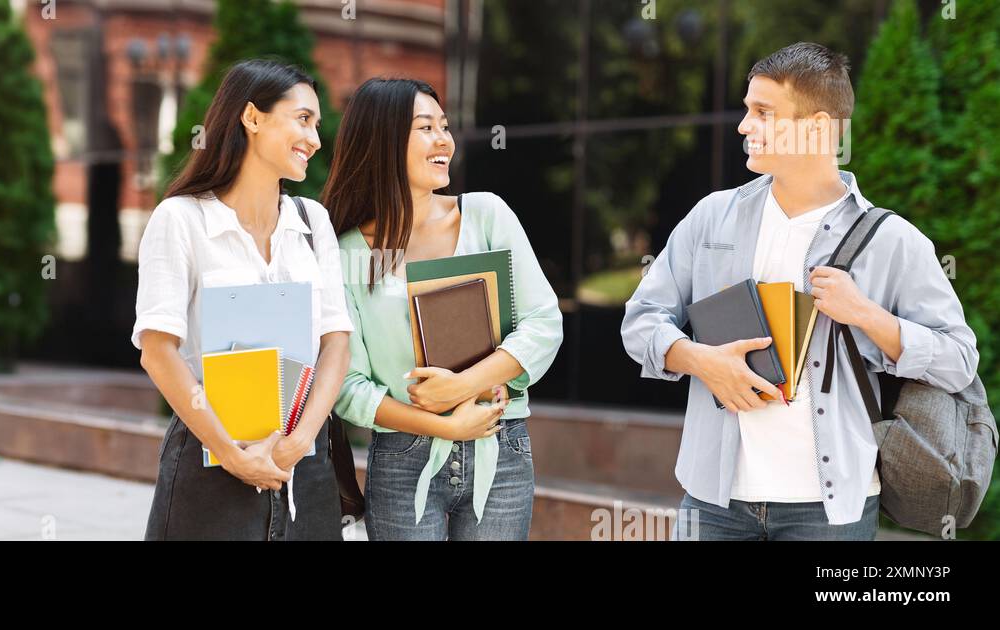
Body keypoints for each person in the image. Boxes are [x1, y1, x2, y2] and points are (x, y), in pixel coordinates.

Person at [621, 42, 978, 540]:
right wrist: (700, 361)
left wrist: (868, 315)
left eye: (763, 112)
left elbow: (959, 359)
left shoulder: (893, 240)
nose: (744, 126)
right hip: (713, 501)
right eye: (747, 110)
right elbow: (641, 321)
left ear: (817, 127)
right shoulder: (712, 218)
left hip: (830, 511)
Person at [325, 78, 563, 540]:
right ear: (383, 140)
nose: (443, 140)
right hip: (403, 455)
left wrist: (464, 386)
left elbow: (543, 322)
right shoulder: (348, 252)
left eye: (445, 126)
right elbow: (348, 386)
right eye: (425, 127)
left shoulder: (486, 215)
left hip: (500, 443)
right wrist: (439, 421)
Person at [133, 59, 352, 540]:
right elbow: (157, 349)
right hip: (210, 458)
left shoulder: (313, 222)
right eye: (302, 120)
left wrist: (298, 443)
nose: (316, 139)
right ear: (252, 118)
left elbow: (336, 341)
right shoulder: (180, 219)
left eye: (317, 124)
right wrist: (232, 452)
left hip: (305, 465)